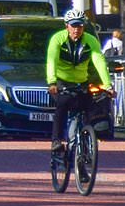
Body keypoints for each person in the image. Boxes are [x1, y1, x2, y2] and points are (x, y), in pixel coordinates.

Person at [46, 9, 113, 154]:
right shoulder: (58, 39)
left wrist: (108, 84)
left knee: (90, 108)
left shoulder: (90, 40)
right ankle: (56, 141)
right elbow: (51, 60)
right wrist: (52, 82)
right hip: (62, 82)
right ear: (67, 26)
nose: (77, 29)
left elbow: (99, 61)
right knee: (62, 106)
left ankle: (85, 144)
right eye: (73, 26)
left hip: (81, 82)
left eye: (80, 26)